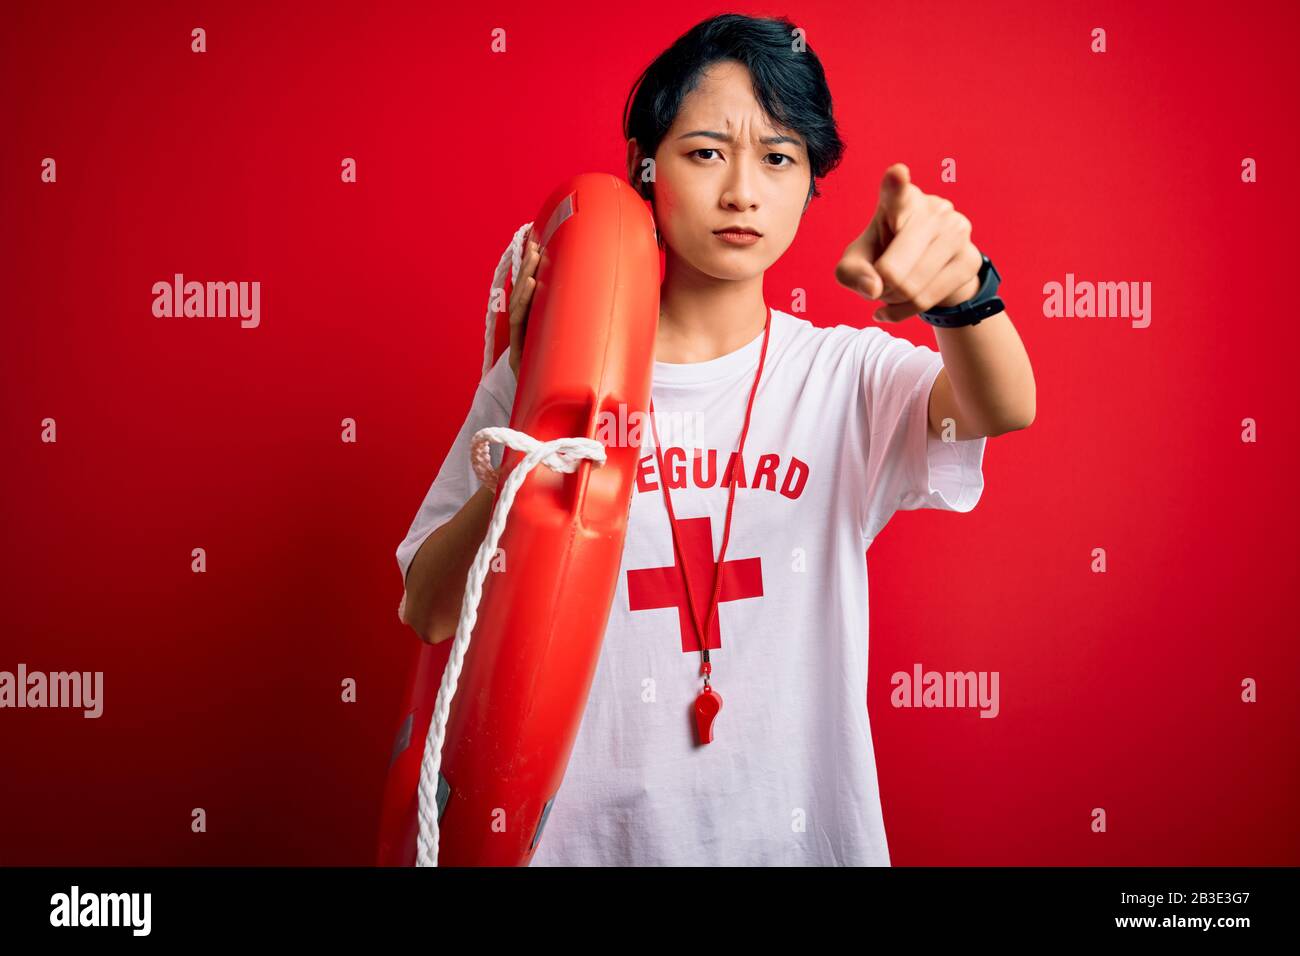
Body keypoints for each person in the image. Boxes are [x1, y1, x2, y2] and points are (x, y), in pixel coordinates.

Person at [395, 13, 1035, 866]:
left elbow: (1001, 407)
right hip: (584, 847)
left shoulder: (843, 376)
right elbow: (431, 610)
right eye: (705, 152)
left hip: (797, 837)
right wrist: (543, 413)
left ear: (811, 185)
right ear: (644, 170)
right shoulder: (542, 374)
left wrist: (967, 292)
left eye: (779, 158)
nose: (743, 190)